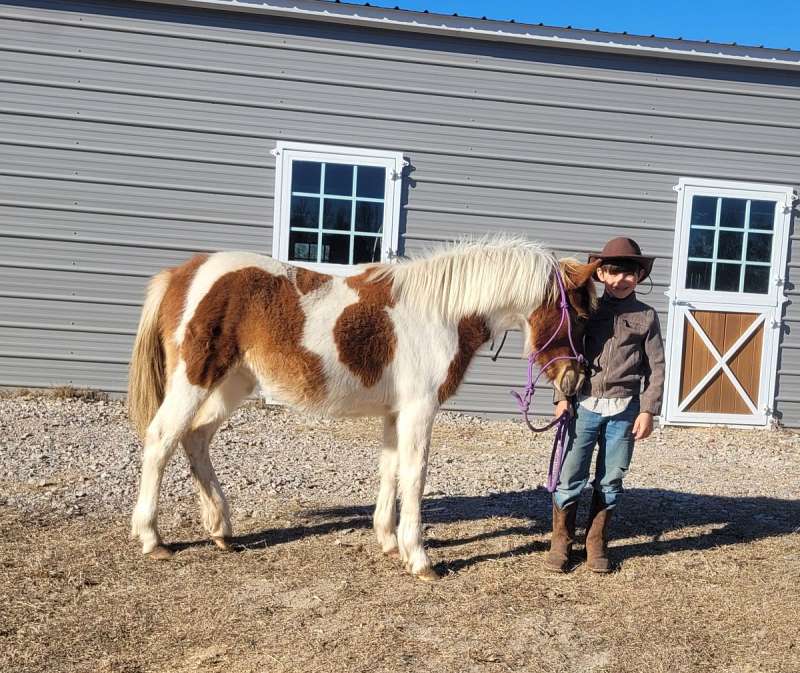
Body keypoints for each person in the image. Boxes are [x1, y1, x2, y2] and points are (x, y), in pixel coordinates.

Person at [547, 237, 665, 573]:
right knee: (570, 475)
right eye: (612, 272)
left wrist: (647, 410)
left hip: (624, 410)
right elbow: (567, 355)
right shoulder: (588, 311)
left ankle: (596, 542)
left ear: (639, 277)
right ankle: (561, 541)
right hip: (584, 405)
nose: (620, 280)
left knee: (611, 479)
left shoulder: (646, 316)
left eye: (628, 274)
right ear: (600, 275)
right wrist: (562, 398)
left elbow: (657, 368)